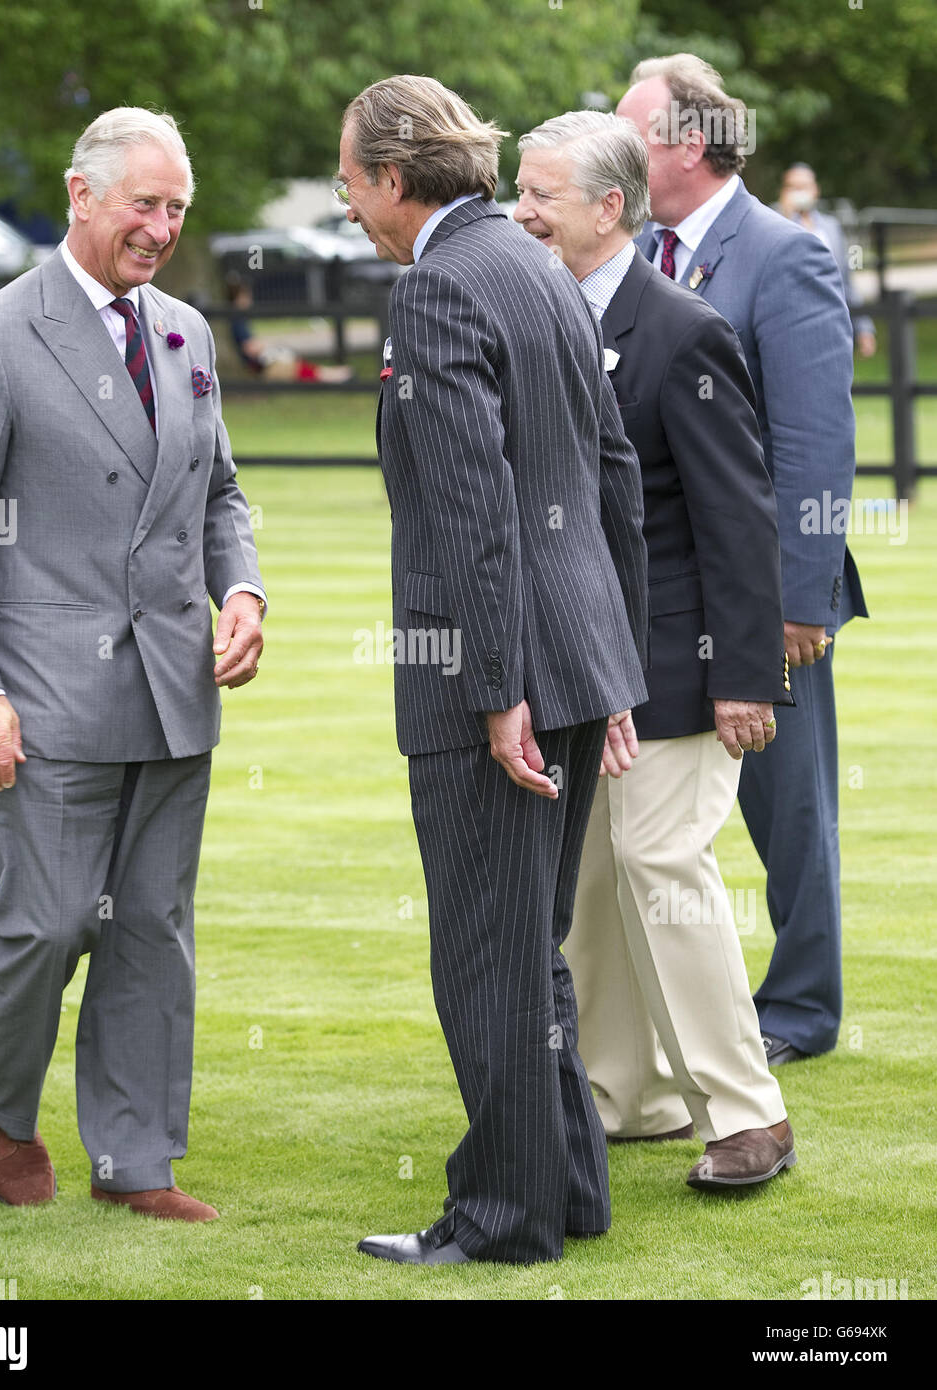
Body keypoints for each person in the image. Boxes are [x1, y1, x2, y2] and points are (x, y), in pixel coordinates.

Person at [0, 107, 266, 1221]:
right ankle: (4, 1109)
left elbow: (220, 494)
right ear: (80, 194)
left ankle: (136, 1161)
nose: (160, 228)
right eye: (142, 204)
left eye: (176, 209)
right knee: (49, 924)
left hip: (175, 694)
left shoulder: (187, 333)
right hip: (42, 698)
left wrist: (243, 590)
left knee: (150, 931)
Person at [338, 75, 648, 1265]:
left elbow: (473, 511)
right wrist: (605, 668)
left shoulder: (438, 285)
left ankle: (504, 1217)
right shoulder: (538, 264)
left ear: (391, 177)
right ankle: (564, 1191)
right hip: (569, 658)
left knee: (483, 954)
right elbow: (611, 474)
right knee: (526, 948)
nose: (348, 202)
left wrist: (496, 691)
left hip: (496, 678)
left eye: (350, 180)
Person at [515, 109, 796, 1191]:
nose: (518, 212)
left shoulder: (682, 332)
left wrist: (744, 679)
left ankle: (749, 1113)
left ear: (608, 208)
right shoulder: (536, 313)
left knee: (660, 866)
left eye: (538, 194)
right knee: (591, 880)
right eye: (517, 190)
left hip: (679, 668)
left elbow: (739, 517)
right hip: (575, 669)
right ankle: (626, 1100)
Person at [617, 55, 867, 1064]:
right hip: (661, 588)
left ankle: (799, 1008)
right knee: (656, 818)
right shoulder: (638, 251)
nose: (614, 151)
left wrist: (798, 601)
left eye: (629, 134)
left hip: (764, 598)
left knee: (787, 811)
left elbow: (815, 444)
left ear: (687, 145)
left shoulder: (782, 254)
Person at [774, 163, 877, 357]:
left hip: (832, 327)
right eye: (793, 187)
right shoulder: (774, 223)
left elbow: (846, 281)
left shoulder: (831, 227)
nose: (799, 192)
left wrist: (864, 327)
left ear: (815, 190)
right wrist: (787, 216)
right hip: (791, 329)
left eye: (804, 186)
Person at [225, 271, 353, 383]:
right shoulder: (237, 321)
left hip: (262, 363)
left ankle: (332, 374)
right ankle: (332, 376)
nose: (250, 300)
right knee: (295, 367)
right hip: (261, 366)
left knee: (296, 364)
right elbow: (249, 348)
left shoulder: (238, 319)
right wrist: (265, 345)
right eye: (247, 296)